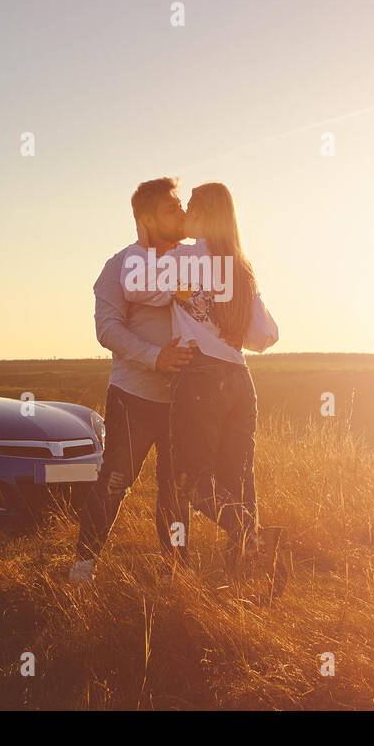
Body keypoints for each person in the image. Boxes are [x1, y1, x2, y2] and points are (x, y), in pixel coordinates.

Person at [123, 182, 280, 577]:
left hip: (200, 378)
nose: (186, 214)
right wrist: (234, 330)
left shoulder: (183, 259)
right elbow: (266, 336)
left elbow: (135, 288)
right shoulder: (241, 266)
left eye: (191, 206)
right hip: (239, 380)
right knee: (239, 479)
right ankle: (249, 573)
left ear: (206, 214)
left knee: (190, 480)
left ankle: (253, 536)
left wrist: (148, 243)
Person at [68, 178, 193, 582]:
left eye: (182, 205)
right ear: (148, 220)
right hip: (133, 397)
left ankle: (176, 568)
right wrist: (156, 357)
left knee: (177, 487)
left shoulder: (197, 262)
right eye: (173, 208)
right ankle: (84, 565)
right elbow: (107, 329)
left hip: (185, 400)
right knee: (116, 480)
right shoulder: (119, 266)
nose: (183, 212)